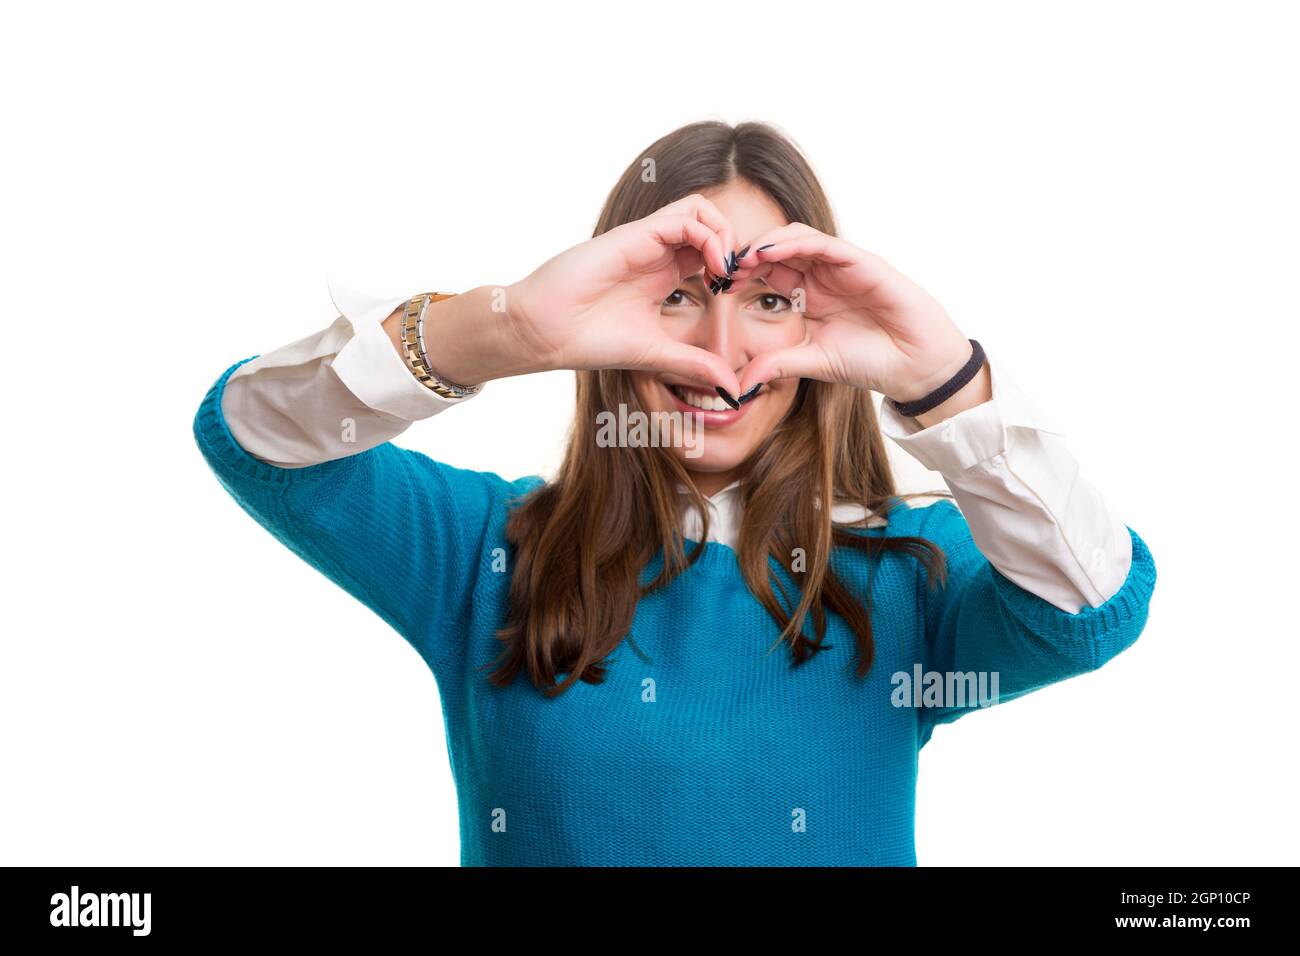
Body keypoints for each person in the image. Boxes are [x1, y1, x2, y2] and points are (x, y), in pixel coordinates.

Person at [193, 120, 1157, 866]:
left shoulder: (909, 572)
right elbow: (257, 440)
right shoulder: (483, 553)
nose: (719, 353)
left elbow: (1092, 603)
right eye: (679, 295)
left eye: (769, 301)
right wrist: (511, 327)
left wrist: (946, 377)